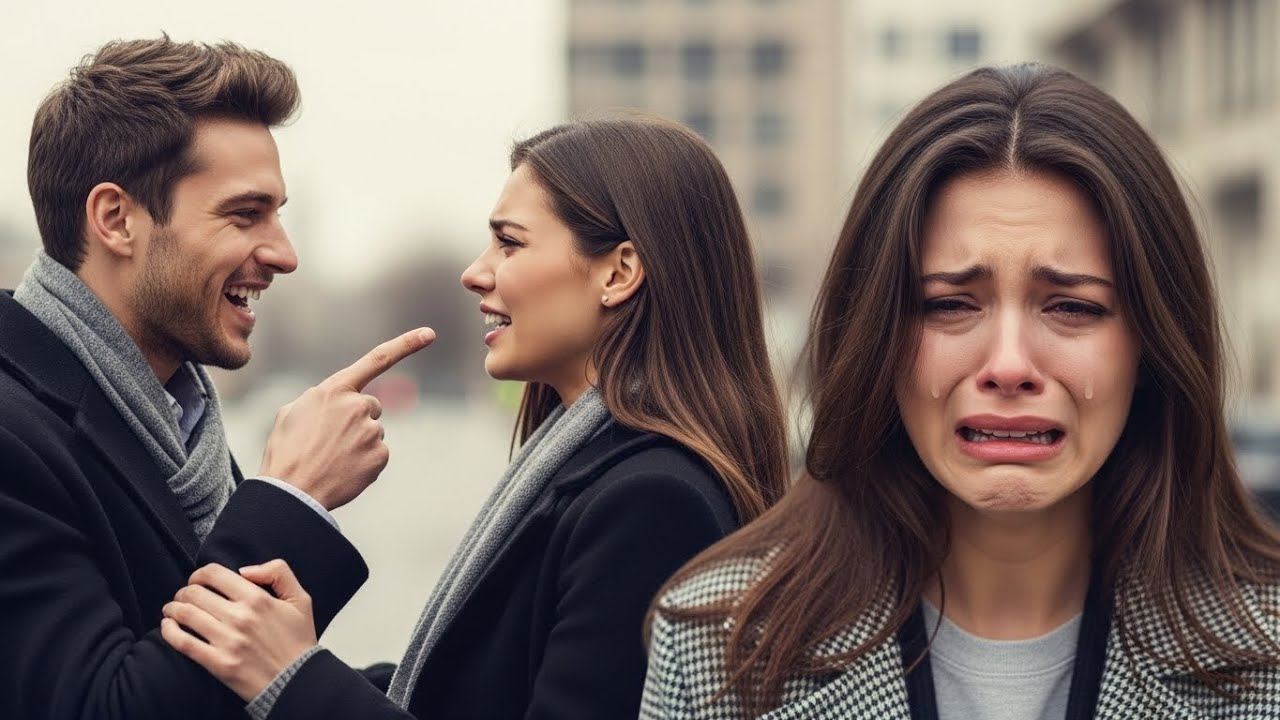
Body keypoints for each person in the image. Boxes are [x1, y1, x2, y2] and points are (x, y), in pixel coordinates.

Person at [641, 63, 1280, 719]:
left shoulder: (1267, 660)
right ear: (877, 340)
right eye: (949, 305)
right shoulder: (717, 652)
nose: (1008, 365)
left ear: (1151, 345)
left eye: (1071, 307)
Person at [159, 115, 790, 719]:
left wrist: (294, 678)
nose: (475, 272)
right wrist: (291, 654)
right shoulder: (597, 473)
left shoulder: (652, 502)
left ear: (619, 272)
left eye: (509, 242)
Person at [0, 37, 432, 720]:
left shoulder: (175, 422)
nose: (283, 254)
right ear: (116, 219)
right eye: (245, 213)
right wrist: (291, 495)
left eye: (280, 213)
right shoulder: (12, 436)